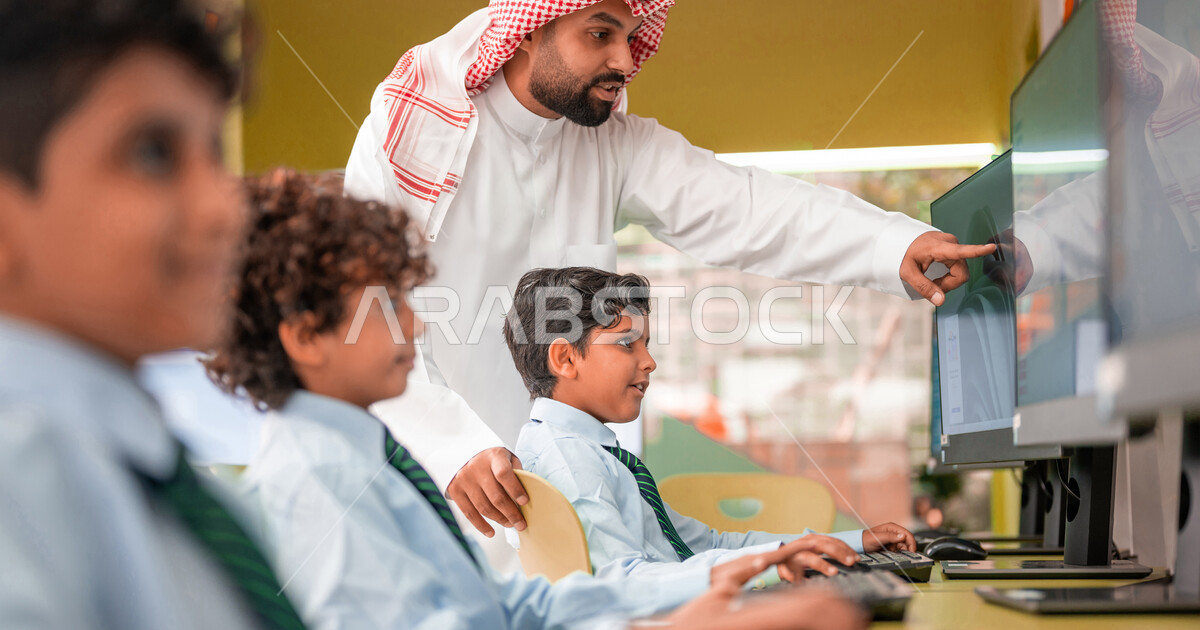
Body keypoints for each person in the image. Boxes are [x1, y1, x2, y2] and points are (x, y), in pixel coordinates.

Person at [343, 0, 997, 543]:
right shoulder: (414, 134)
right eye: (600, 34)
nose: (625, 61)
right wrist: (452, 445)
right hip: (432, 491)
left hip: (576, 502)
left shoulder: (610, 145)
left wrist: (892, 244)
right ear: (527, 30)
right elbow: (364, 317)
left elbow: (749, 207)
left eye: (631, 38)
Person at [206, 168, 869, 630]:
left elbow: (509, 611)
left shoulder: (363, 458)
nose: (414, 325)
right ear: (306, 337)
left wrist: (745, 569)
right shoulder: (318, 479)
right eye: (385, 308)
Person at [0, 1, 307, 628]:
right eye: (152, 154)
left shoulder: (166, 483)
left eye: (216, 152)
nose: (225, 206)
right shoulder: (21, 485)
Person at [504, 266, 916, 583]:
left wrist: (845, 545)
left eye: (647, 344)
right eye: (627, 343)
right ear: (565, 359)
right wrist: (766, 566)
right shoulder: (568, 458)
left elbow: (705, 546)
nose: (649, 361)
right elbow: (622, 582)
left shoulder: (589, 451)